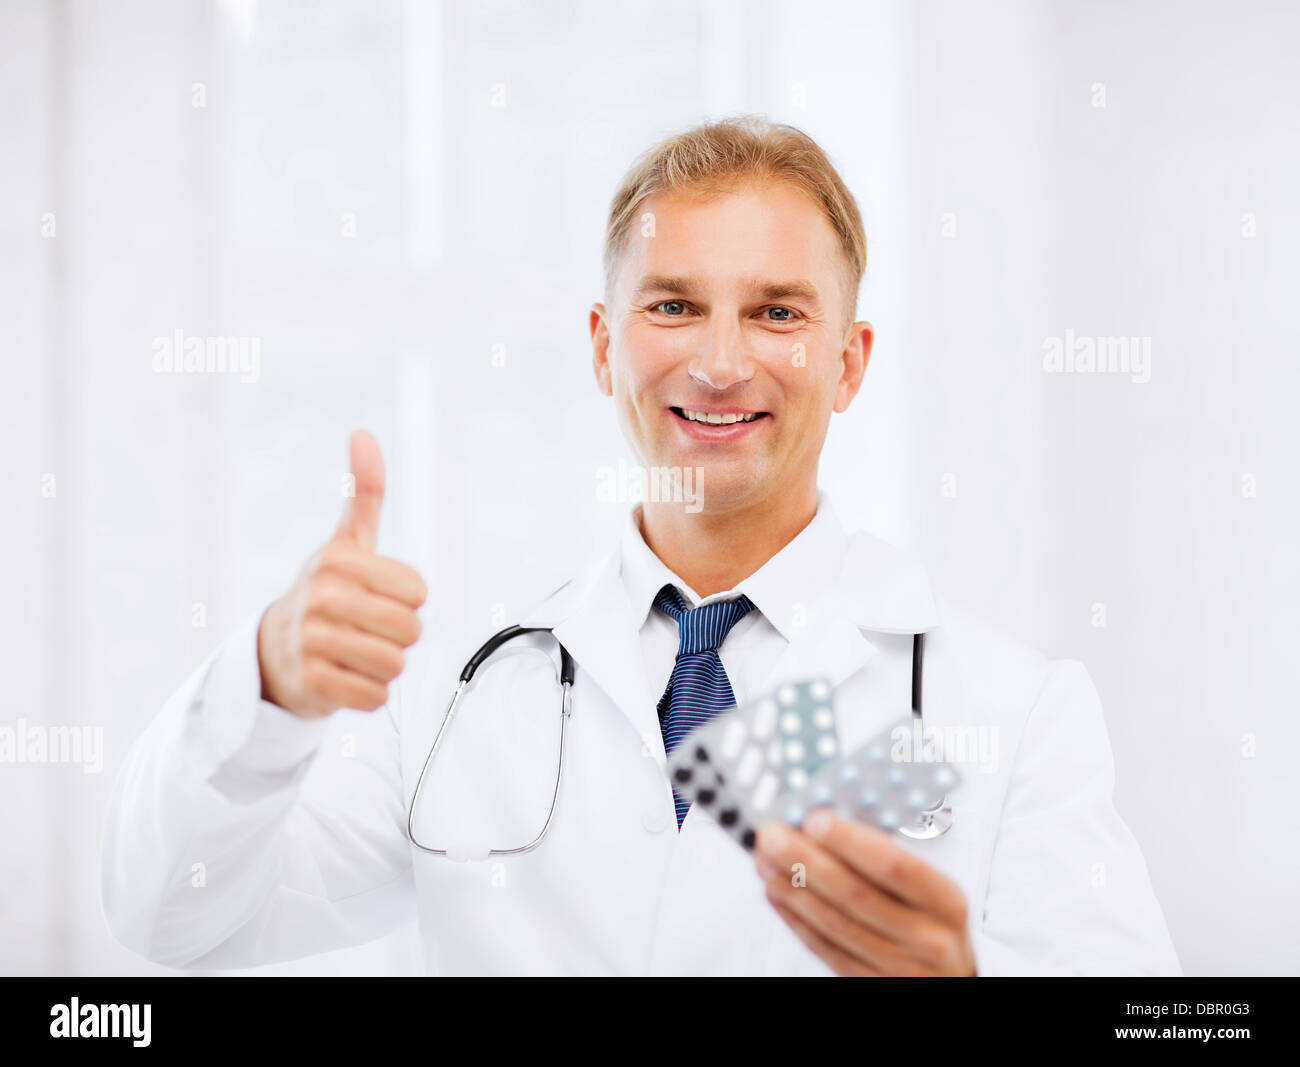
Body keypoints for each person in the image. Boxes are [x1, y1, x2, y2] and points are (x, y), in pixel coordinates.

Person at [100, 115, 1181, 976]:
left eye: (776, 313)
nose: (719, 362)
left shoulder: (1010, 710)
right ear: (603, 345)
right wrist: (265, 693)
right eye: (672, 304)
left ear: (849, 362)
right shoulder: (451, 700)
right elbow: (175, 919)